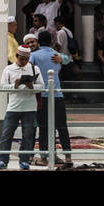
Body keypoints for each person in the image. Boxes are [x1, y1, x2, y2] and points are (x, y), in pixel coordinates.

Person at [28, 28, 72, 167]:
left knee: (44, 127)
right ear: (51, 41)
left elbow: (28, 68)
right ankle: (68, 156)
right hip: (58, 95)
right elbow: (66, 60)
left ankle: (45, 156)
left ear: (39, 42)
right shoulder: (56, 54)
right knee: (61, 126)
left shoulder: (34, 56)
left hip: (42, 96)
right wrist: (61, 59)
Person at [0, 45, 43, 169]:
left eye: (26, 59)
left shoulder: (34, 69)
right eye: (22, 59)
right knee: (6, 134)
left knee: (28, 135)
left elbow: (42, 86)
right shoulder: (8, 69)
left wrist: (32, 86)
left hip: (30, 108)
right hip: (13, 107)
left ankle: (24, 160)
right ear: (16, 56)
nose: (24, 62)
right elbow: (2, 86)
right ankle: (2, 160)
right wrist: (14, 85)